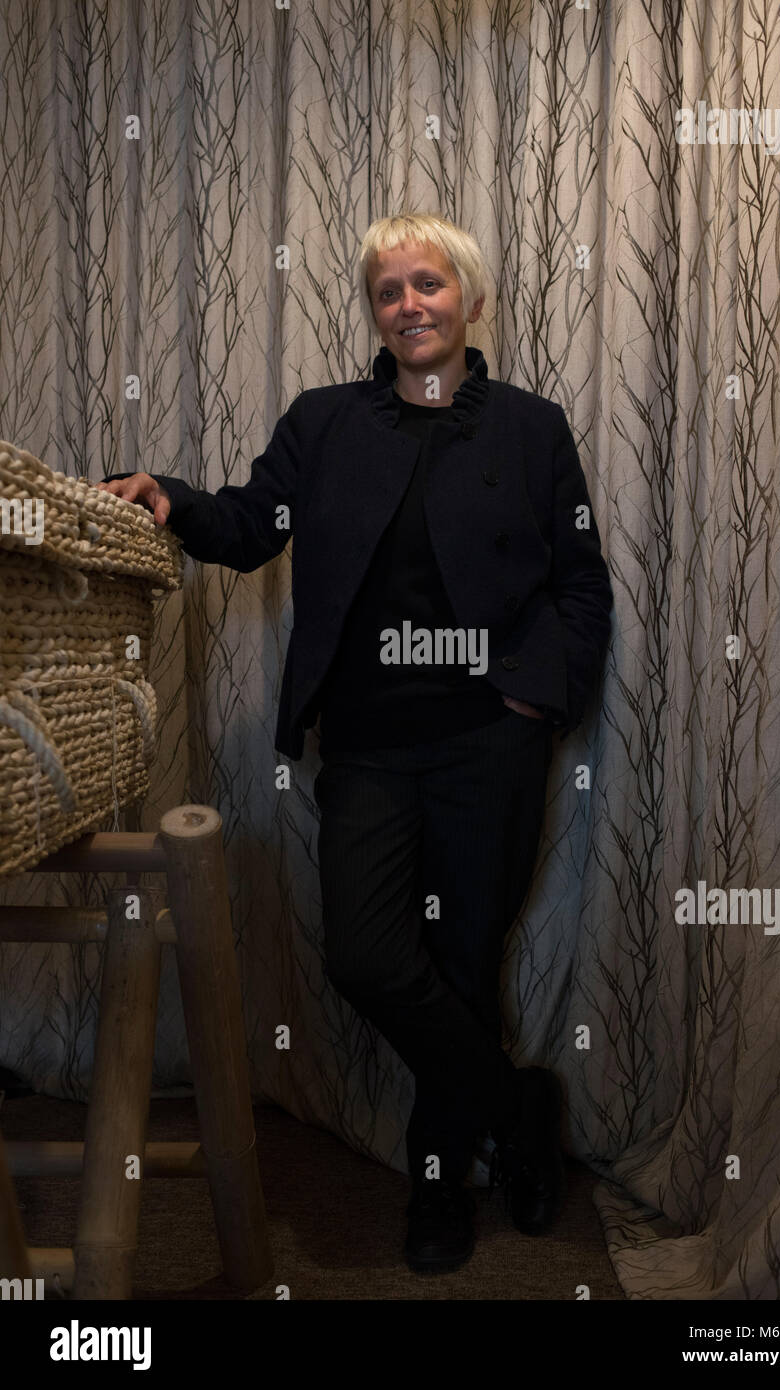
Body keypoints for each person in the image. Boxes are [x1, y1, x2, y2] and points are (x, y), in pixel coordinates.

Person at [96, 213, 613, 1276]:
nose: (411, 302)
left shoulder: (532, 428)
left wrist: (534, 703)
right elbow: (249, 524)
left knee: (465, 963)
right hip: (369, 747)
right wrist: (172, 498)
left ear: (469, 301)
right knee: (370, 955)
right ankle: (518, 1108)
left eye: (430, 283)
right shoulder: (326, 423)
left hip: (488, 745)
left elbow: (579, 584)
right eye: (390, 289)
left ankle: (436, 1177)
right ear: (375, 312)